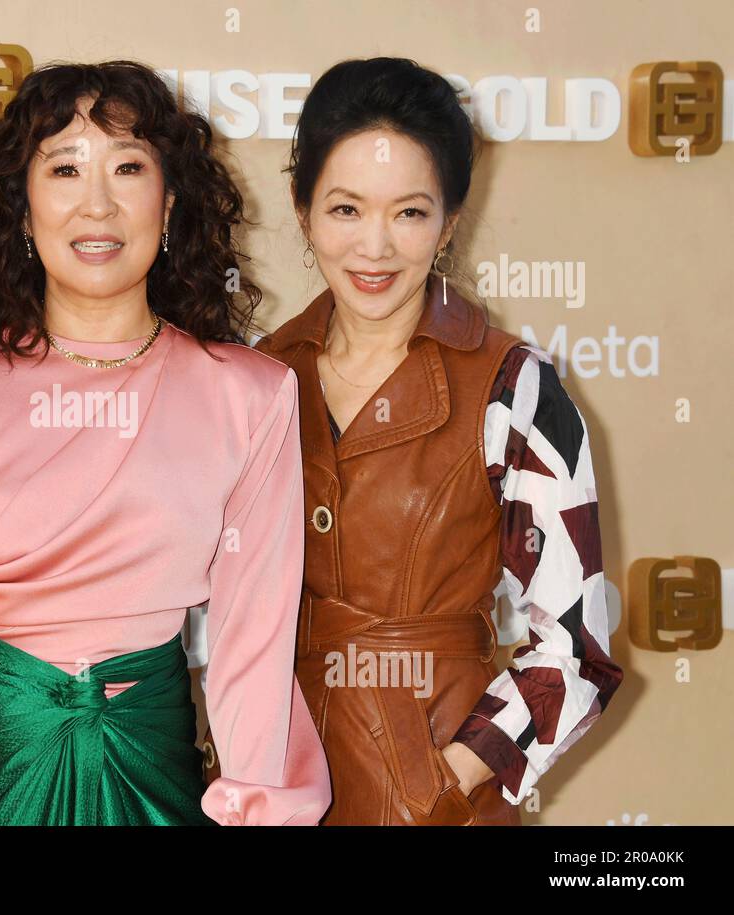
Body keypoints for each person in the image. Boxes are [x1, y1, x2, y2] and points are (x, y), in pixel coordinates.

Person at [0, 61, 331, 825]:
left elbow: (252, 650)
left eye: (129, 167)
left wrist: (263, 808)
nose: (98, 204)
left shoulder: (248, 394)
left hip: (154, 775)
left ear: (170, 201)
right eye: (66, 169)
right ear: (21, 207)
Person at [255, 57, 624, 824]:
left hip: (439, 798)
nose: (376, 247)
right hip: (276, 783)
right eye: (347, 209)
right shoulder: (257, 378)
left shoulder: (514, 385)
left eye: (410, 212)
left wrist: (445, 777)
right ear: (303, 210)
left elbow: (576, 645)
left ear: (451, 220)